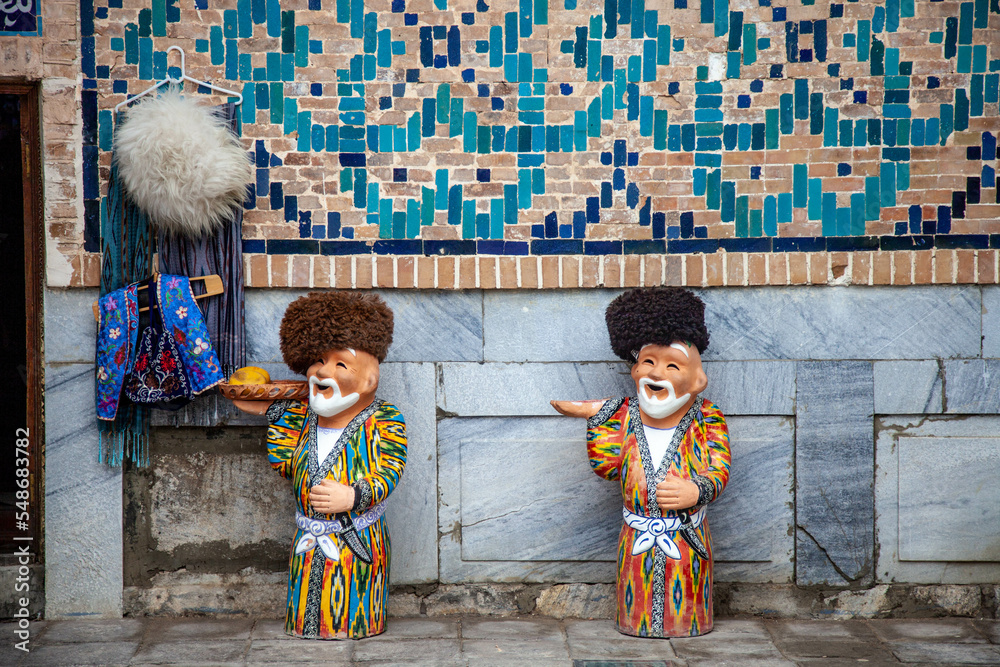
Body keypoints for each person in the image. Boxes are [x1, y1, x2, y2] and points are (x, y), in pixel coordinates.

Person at [551, 287, 730, 638]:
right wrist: (596, 416)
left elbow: (720, 466)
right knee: (637, 602)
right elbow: (606, 468)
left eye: (672, 365)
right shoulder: (624, 415)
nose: (656, 373)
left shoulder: (707, 416)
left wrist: (697, 489)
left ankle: (687, 623)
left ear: (697, 380)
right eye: (648, 362)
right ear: (634, 370)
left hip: (687, 541)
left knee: (686, 607)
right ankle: (636, 621)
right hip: (637, 540)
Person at [233, 292, 406, 639]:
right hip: (306, 540)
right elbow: (284, 462)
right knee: (305, 609)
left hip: (356, 541)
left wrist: (354, 495)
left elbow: (391, 469)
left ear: (369, 380)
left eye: (340, 364)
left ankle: (354, 626)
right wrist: (263, 404)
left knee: (351, 607)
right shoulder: (301, 417)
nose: (323, 372)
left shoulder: (384, 419)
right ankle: (305, 625)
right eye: (318, 361)